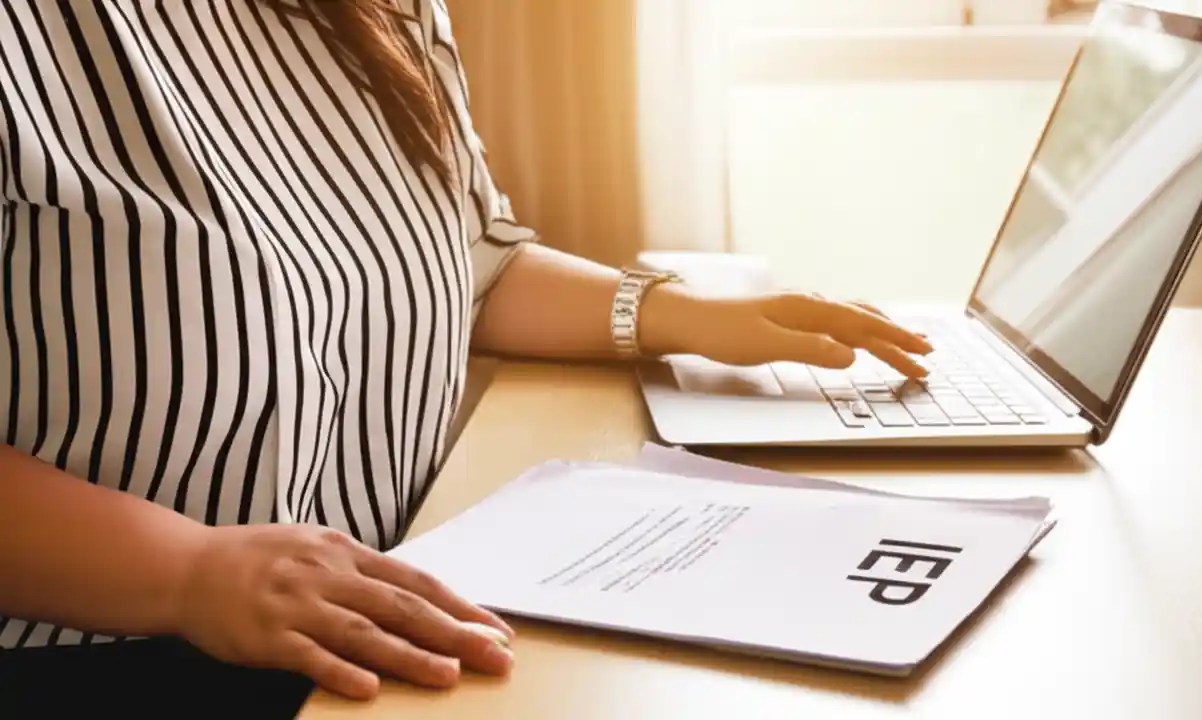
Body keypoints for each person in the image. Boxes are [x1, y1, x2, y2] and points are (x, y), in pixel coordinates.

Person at [0, 0, 932, 714]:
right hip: (99, 656)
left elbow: (469, 260)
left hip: (398, 611)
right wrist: (192, 572)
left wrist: (677, 315)